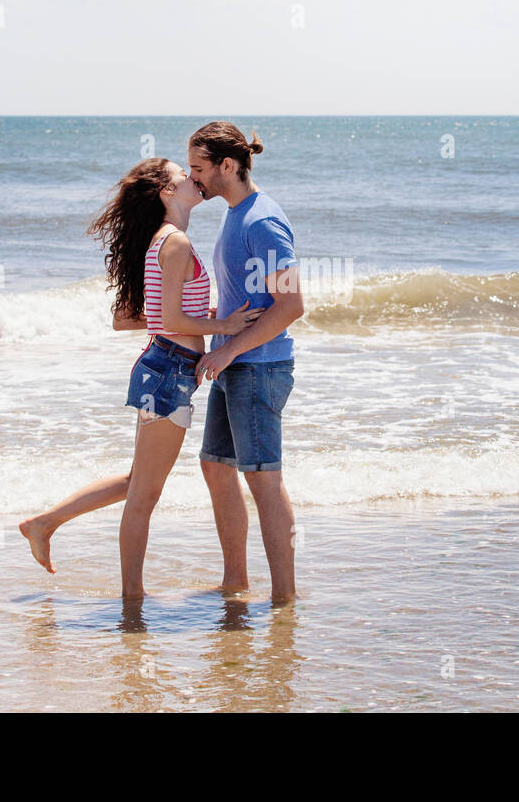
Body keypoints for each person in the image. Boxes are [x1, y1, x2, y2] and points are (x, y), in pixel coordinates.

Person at [18, 157, 261, 598]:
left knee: (138, 484)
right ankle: (132, 600)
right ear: (166, 192)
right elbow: (167, 318)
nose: (194, 178)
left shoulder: (164, 240)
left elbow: (138, 318)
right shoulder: (176, 243)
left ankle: (43, 523)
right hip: (168, 371)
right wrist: (223, 327)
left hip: (166, 368)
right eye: (183, 175)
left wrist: (203, 318)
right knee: (143, 495)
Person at [186, 122, 305, 603]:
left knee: (264, 479)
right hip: (234, 364)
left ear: (227, 166)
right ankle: (235, 580)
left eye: (199, 168)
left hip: (258, 368)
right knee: (216, 466)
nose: (193, 178)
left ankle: (284, 599)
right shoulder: (236, 214)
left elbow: (291, 304)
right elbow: (245, 297)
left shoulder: (262, 221)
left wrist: (228, 349)